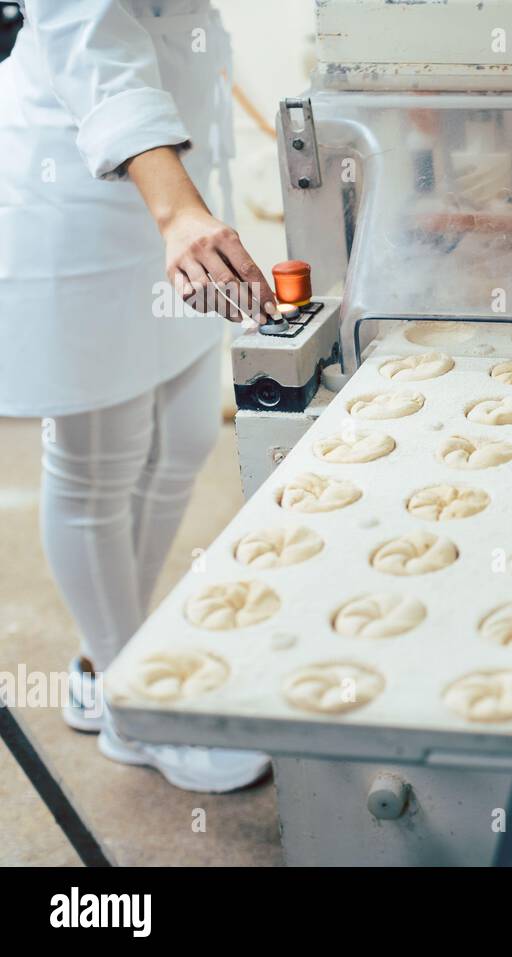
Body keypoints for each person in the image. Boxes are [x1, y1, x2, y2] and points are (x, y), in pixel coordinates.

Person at [0, 0, 275, 792]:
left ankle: (104, 659)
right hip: (83, 179)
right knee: (98, 462)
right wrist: (176, 208)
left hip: (179, 158)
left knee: (186, 436)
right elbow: (87, 34)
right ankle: (134, 707)